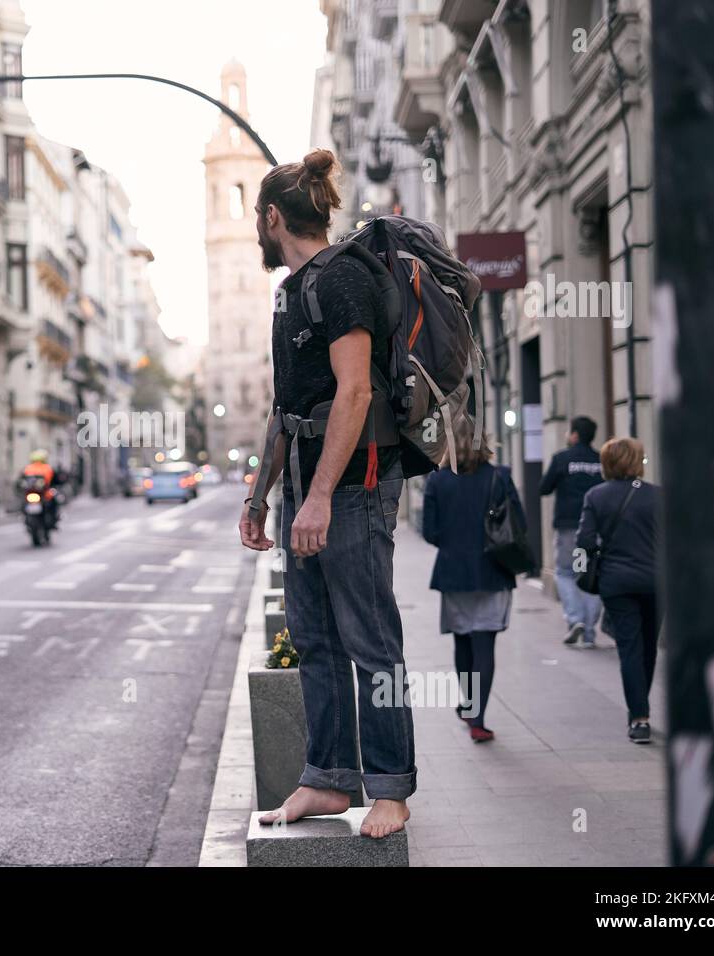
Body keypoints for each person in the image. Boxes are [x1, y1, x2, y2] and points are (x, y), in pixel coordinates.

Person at [240, 148, 412, 839]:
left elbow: (356, 390)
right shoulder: (290, 292)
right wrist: (260, 498)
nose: (258, 229)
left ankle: (393, 790)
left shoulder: (341, 278)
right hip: (308, 488)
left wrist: (317, 498)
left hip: (355, 484)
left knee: (371, 641)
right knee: (314, 639)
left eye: (259, 218)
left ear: (274, 216)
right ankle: (328, 779)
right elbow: (289, 409)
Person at [422, 427, 525, 743]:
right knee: (484, 645)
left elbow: (430, 532)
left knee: (462, 641)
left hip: (454, 572)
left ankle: (469, 703)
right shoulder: (501, 477)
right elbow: (517, 522)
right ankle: (477, 717)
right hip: (493, 570)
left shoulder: (437, 481)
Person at [577, 437, 662, 744]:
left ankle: (639, 717)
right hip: (655, 581)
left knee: (629, 647)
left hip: (616, 582)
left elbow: (584, 541)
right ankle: (641, 708)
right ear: (637, 461)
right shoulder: (657, 495)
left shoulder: (595, 496)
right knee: (649, 646)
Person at [540, 415, 604, 646]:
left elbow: (544, 488)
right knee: (590, 574)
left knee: (566, 573)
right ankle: (588, 632)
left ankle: (575, 618)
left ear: (575, 435)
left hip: (568, 526)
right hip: (595, 528)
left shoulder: (561, 459)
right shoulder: (601, 460)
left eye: (568, 432)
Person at [20, 450, 61, 529]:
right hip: (44, 494)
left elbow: (21, 481)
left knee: (24, 504)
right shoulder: (48, 468)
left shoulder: (27, 468)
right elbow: (56, 480)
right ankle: (55, 519)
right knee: (54, 503)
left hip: (30, 493)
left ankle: (24, 518)